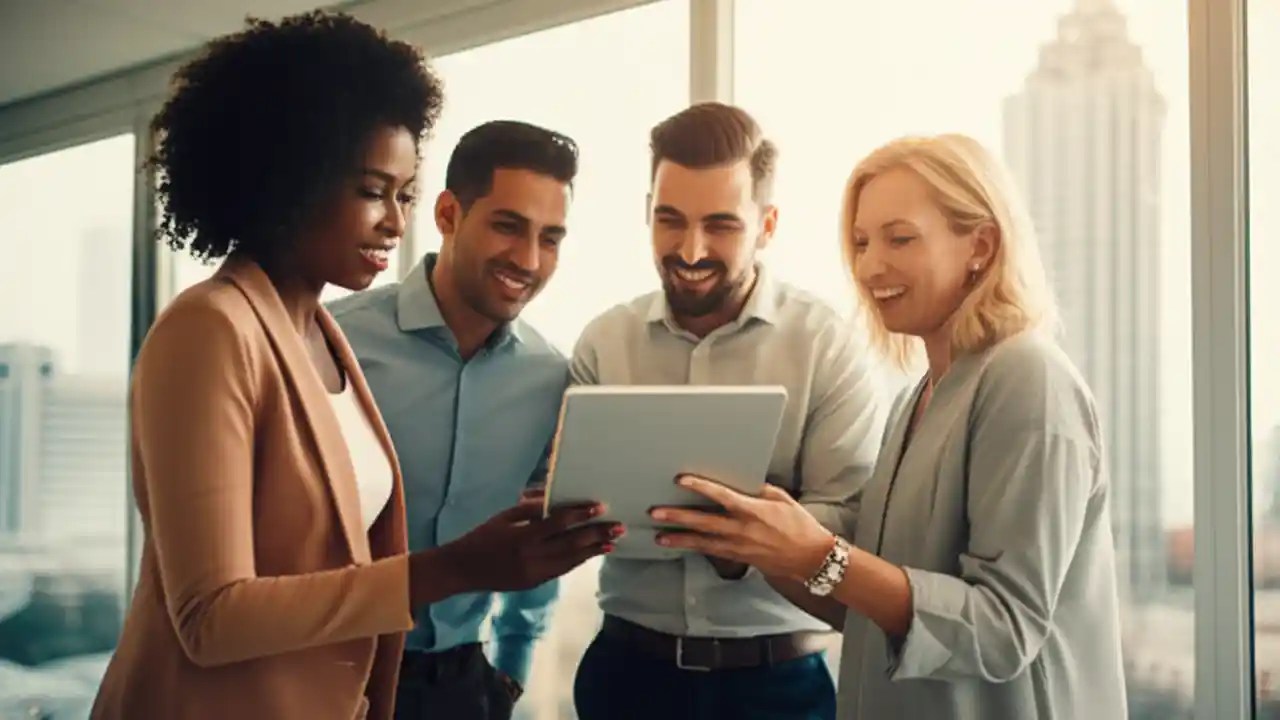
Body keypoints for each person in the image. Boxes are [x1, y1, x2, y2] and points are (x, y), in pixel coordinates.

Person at [91, 14, 619, 720]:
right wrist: (455, 568)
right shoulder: (210, 328)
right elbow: (208, 615)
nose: (395, 225)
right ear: (291, 176)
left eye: (402, 195)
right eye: (373, 191)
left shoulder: (317, 335)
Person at [652, 133, 1128, 720]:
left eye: (900, 238)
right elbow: (869, 605)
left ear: (980, 244)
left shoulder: (1027, 378)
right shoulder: (915, 399)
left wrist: (821, 554)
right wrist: (766, 543)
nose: (870, 266)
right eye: (860, 242)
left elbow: (1004, 628)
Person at [569, 102, 884, 720]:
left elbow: (851, 518)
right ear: (647, 215)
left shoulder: (826, 345)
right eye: (670, 220)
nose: (690, 248)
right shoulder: (603, 343)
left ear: (766, 225)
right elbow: (571, 497)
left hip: (778, 687)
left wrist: (744, 535)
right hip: (624, 678)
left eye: (720, 225)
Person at [330, 119, 593, 720]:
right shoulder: (336, 339)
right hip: (334, 670)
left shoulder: (551, 379)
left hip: (465, 686)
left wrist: (513, 667)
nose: (528, 259)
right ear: (448, 214)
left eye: (550, 238)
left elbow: (541, 527)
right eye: (508, 226)